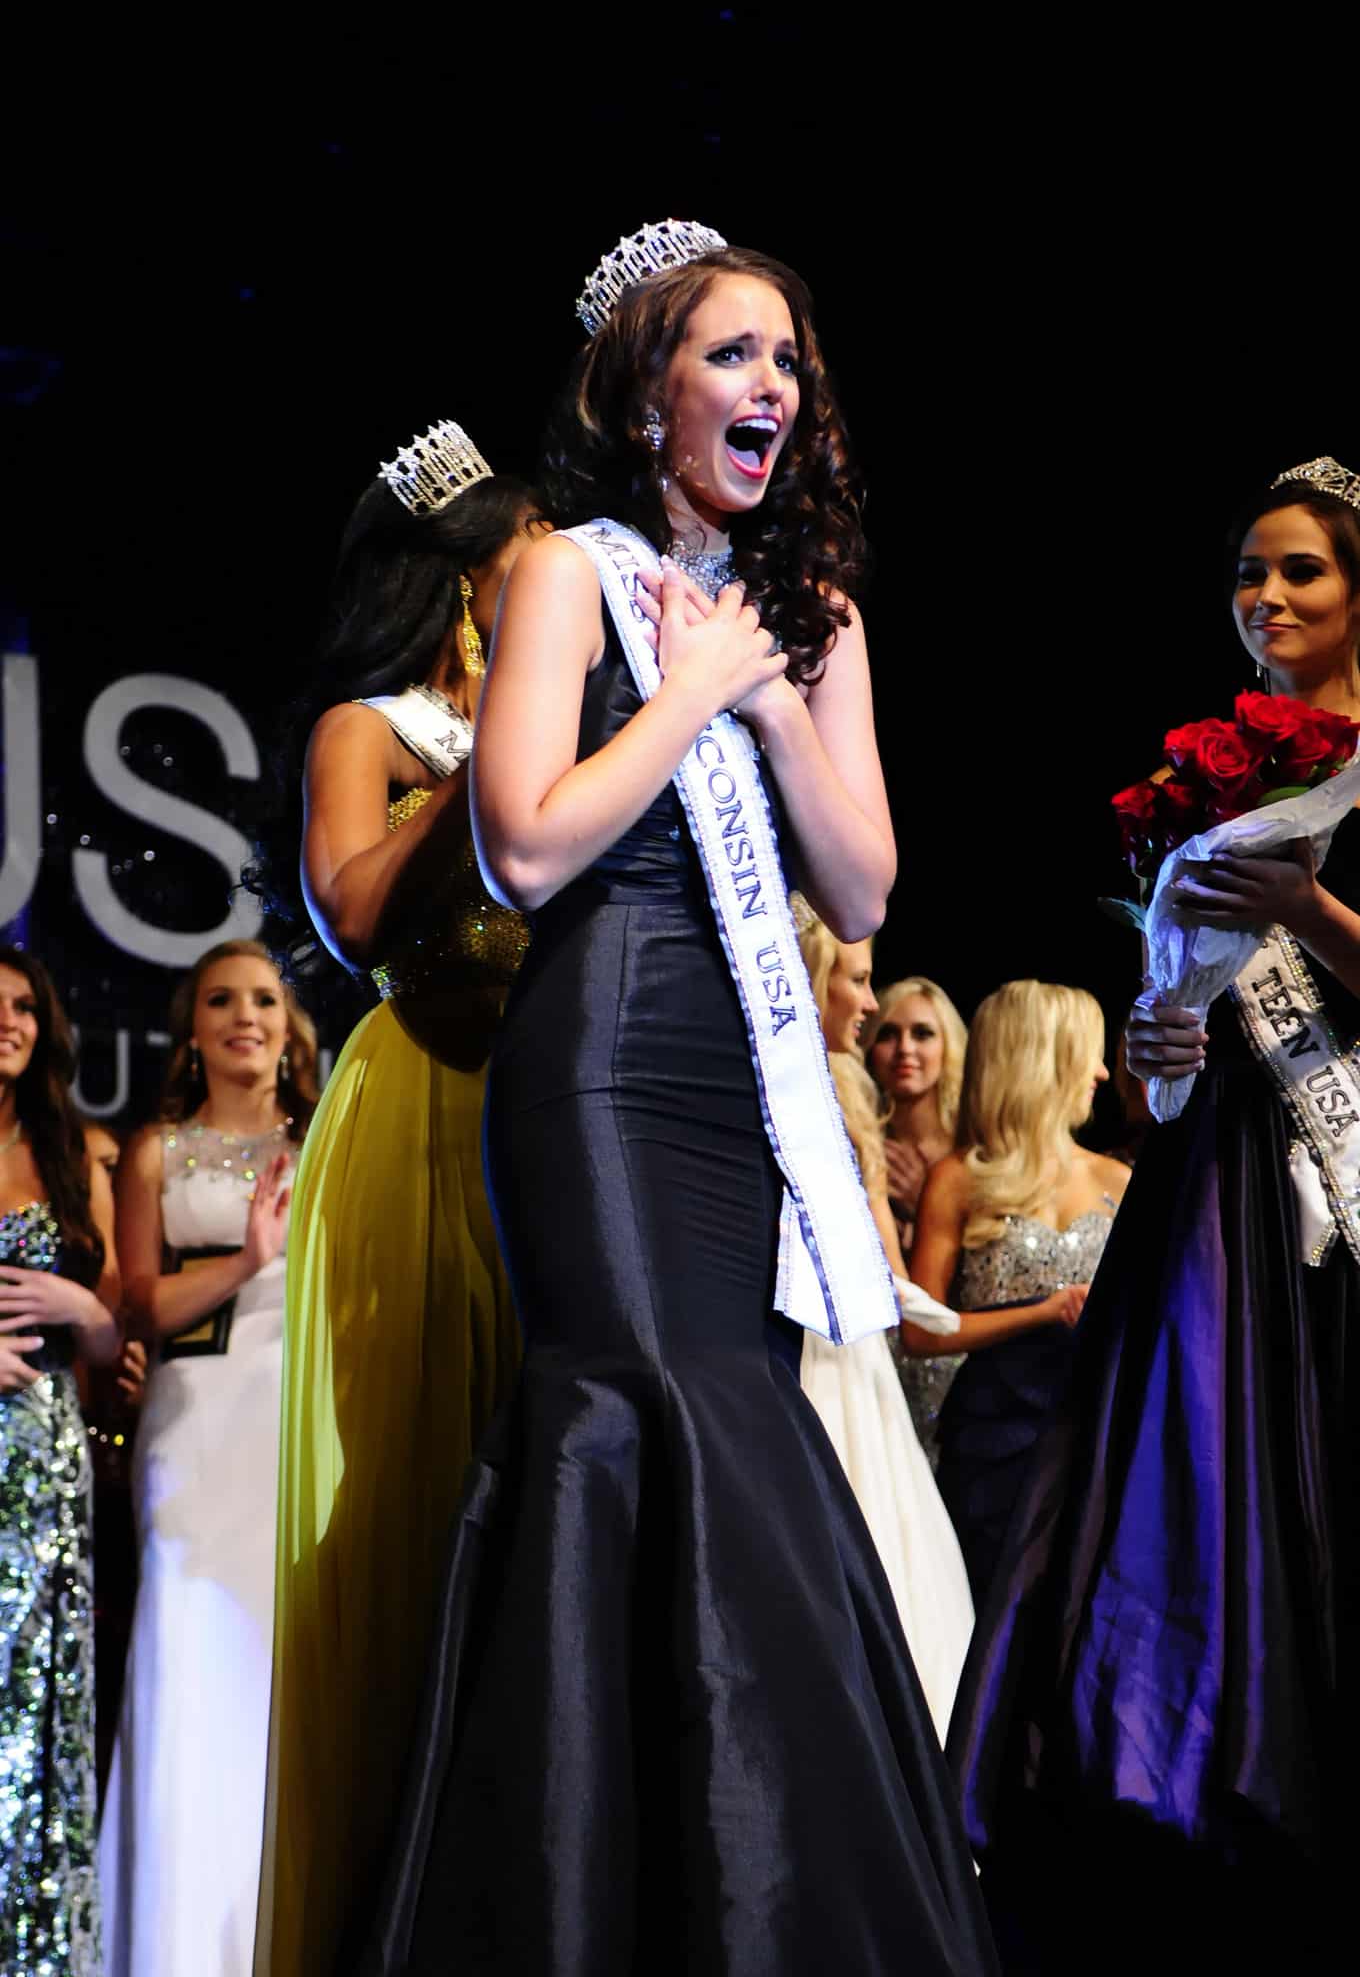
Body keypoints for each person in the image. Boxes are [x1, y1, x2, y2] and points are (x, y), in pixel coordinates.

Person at [362, 220, 997, 1976]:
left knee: (740, 1419)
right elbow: (524, 840)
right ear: (648, 394)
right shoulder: (569, 569)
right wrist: (692, 688)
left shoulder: (822, 615)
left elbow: (862, 889)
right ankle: (581, 1901)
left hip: (745, 1085)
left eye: (789, 361)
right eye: (732, 355)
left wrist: (775, 700)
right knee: (641, 1408)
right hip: (600, 1066)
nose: (771, 388)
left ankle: (756, 1899)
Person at [949, 457, 1360, 1972]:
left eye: (1300, 571)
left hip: (1341, 1189)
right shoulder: (1218, 780)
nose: (1265, 599)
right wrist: (1155, 1045)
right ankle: (1178, 1788)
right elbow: (1170, 1018)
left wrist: (1309, 907)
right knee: (1182, 1472)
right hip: (1215, 1180)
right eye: (1248, 574)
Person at [247, 430, 542, 1975]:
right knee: (420, 1475)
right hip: (422, 1097)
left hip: (554, 1100)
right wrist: (485, 766)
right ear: (466, 578)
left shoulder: (561, 707)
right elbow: (353, 911)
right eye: (522, 557)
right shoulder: (375, 726)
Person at [98, 941, 316, 1977]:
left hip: (292, 1428)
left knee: (285, 1670)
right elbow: (140, 1301)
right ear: (191, 1027)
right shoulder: (156, 1152)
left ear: (289, 1024)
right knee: (189, 1654)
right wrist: (248, 1259)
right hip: (190, 1429)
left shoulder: (323, 1147)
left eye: (263, 998)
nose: (244, 1015)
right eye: (221, 999)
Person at [794, 905, 974, 1741]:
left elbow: (894, 1281)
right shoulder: (787, 1080)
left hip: (852, 1353)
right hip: (791, 1349)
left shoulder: (845, 1095)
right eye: (860, 980)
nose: (868, 1008)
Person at [907, 980, 1125, 1606]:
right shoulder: (957, 1181)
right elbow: (922, 1332)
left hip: (1091, 1428)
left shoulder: (1119, 1181)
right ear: (1045, 1058)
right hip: (996, 1433)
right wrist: (1044, 1312)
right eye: (1089, 1052)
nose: (1105, 1072)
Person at [0, 946, 121, 1975]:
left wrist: (85, 1308)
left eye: (24, 1006)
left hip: (45, 1458)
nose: (8, 1019)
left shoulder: (77, 1150)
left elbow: (116, 1334)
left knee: (39, 1702)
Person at [865, 976, 970, 1465]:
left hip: (955, 1356)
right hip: (878, 1354)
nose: (904, 1048)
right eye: (888, 1033)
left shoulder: (971, 1148)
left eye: (923, 1033)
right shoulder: (855, 1140)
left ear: (949, 1044)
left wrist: (926, 1207)